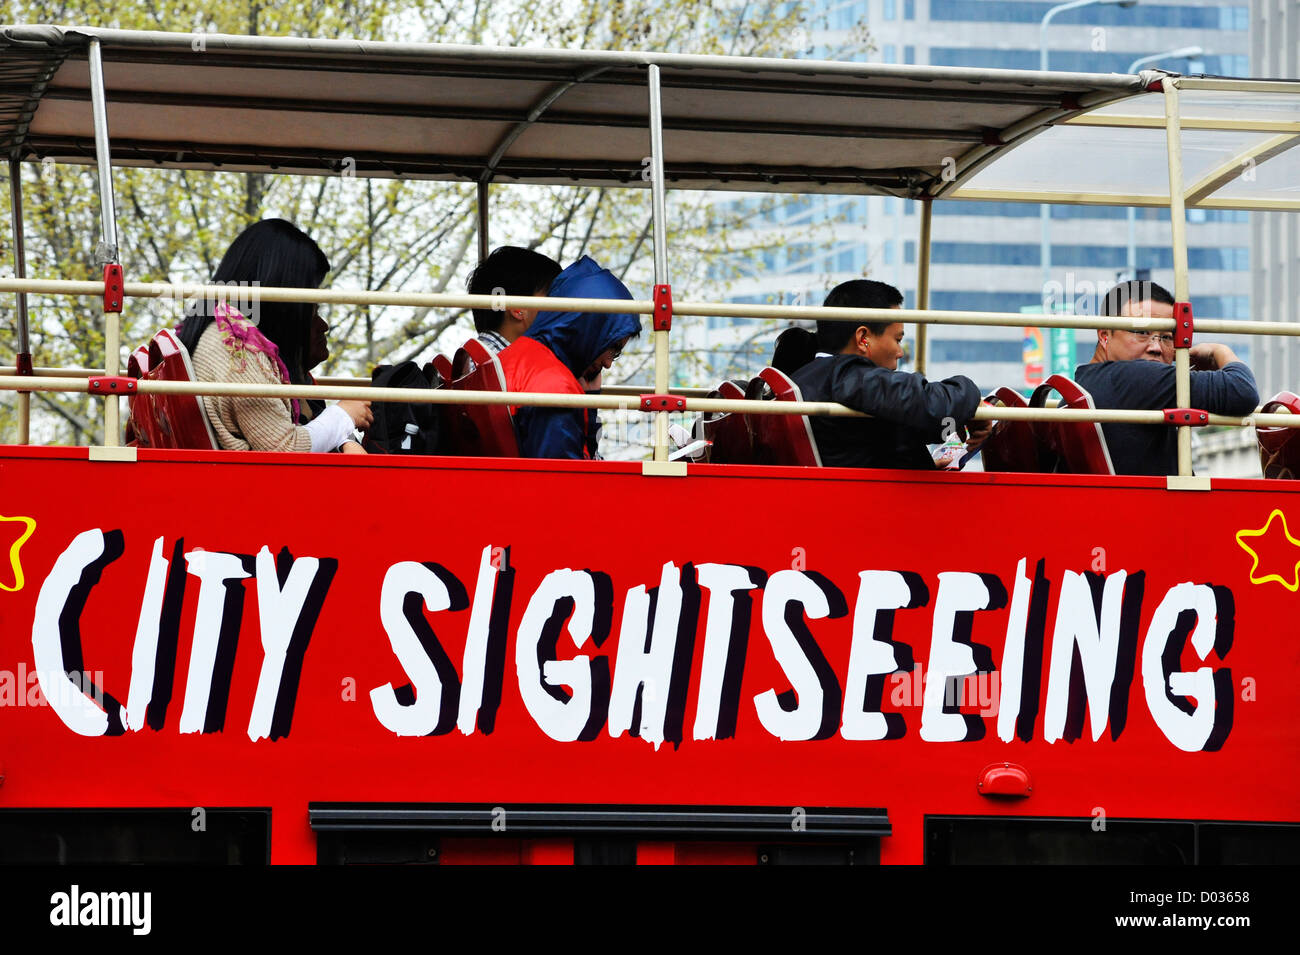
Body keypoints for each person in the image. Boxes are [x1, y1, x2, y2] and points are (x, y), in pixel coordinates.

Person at [178, 219, 371, 453]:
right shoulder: (237, 348)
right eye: (310, 307)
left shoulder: (224, 334)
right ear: (283, 295)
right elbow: (285, 450)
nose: (322, 324)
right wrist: (343, 415)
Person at [792, 280, 985, 470]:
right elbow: (932, 405)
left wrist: (961, 420)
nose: (900, 353)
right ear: (863, 339)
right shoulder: (848, 375)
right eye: (897, 339)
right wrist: (971, 395)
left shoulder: (808, 376)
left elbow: (906, 424)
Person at [1074, 280, 1258, 475]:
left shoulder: (1088, 382)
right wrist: (1218, 351)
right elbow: (1243, 390)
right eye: (1142, 332)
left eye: (1167, 337)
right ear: (1104, 336)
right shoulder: (1135, 377)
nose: (1156, 347)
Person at [497, 256, 640, 459]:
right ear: (589, 329)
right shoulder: (556, 388)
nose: (608, 363)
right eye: (612, 348)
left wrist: (587, 403)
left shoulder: (516, 354)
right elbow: (563, 484)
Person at [466, 246, 563, 354]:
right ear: (518, 308)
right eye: (551, 296)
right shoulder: (504, 365)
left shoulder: (474, 359)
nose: (562, 307)